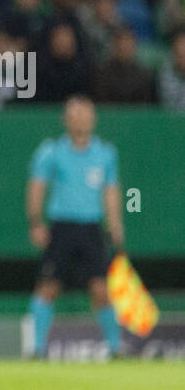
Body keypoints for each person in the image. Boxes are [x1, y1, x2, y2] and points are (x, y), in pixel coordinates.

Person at [25, 96, 126, 358]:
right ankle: (37, 348)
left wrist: (115, 224)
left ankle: (115, 349)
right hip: (62, 227)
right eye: (75, 115)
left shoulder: (105, 154)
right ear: (65, 120)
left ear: (93, 119)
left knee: (102, 289)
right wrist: (36, 222)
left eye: (85, 114)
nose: (81, 119)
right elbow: (37, 186)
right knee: (48, 286)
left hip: (91, 227)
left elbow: (111, 191)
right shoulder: (50, 152)